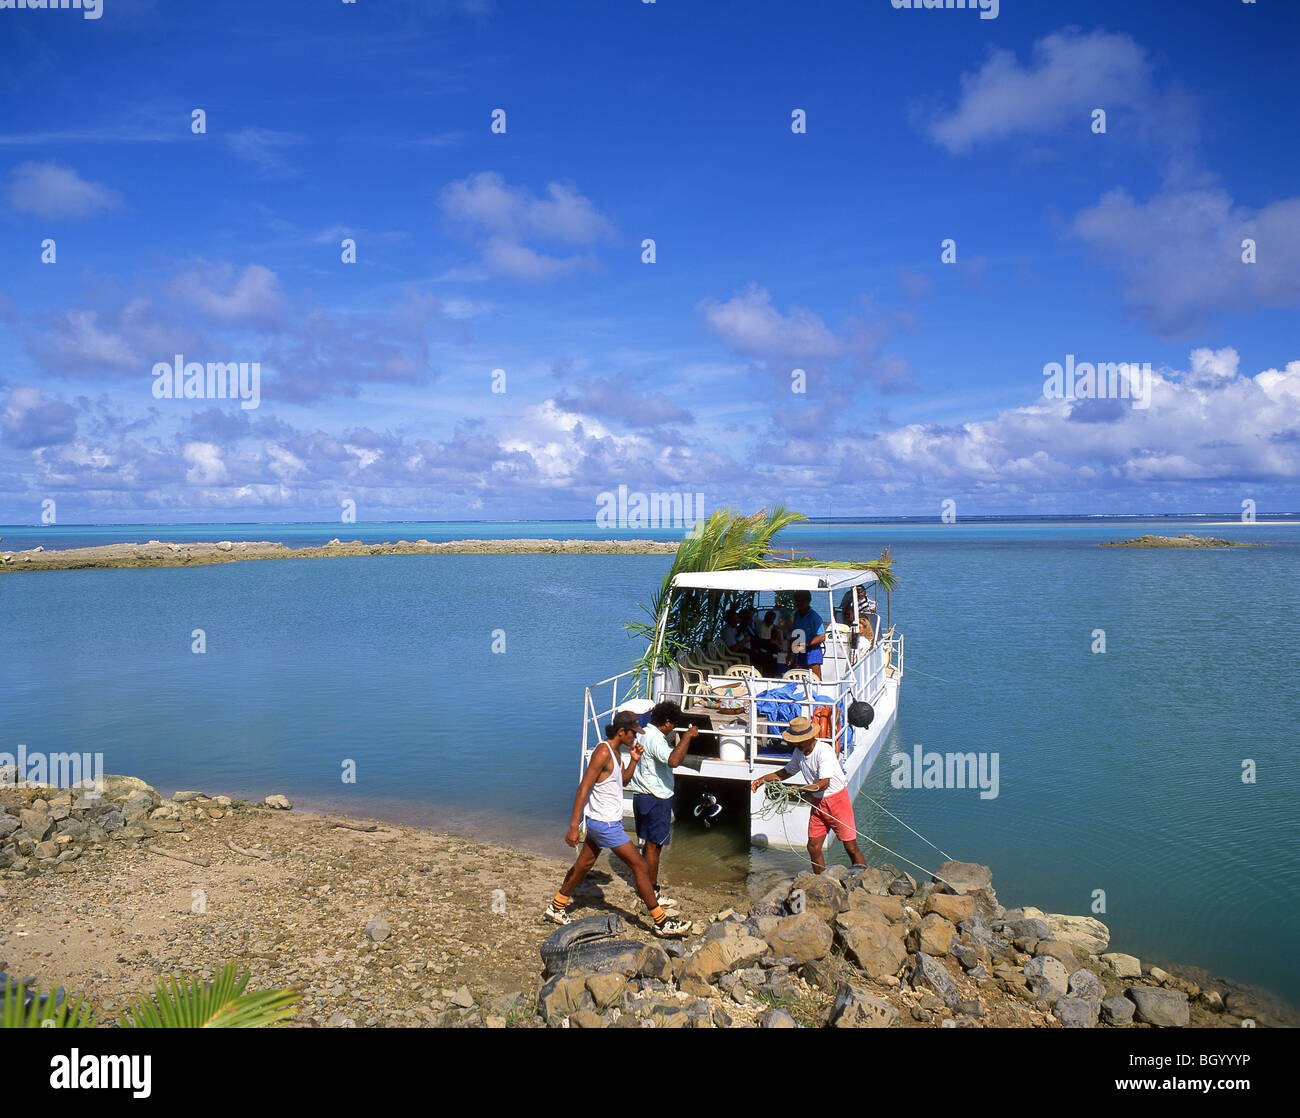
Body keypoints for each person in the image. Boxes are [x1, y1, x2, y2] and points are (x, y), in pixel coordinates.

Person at [544, 710, 691, 936]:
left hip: (600, 823)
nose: (636, 737)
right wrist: (574, 826)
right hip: (606, 825)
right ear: (621, 731)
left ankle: (556, 906)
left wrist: (633, 760)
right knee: (640, 866)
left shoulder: (615, 752)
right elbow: (583, 788)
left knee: (583, 865)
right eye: (633, 733)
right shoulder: (602, 752)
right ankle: (661, 923)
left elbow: (622, 780)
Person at [749, 715, 867, 874]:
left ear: (806, 739)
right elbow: (786, 772)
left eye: (795, 740)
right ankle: (820, 880)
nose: (792, 743)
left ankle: (863, 877)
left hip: (837, 800)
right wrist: (762, 779)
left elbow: (823, 783)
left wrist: (800, 790)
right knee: (813, 846)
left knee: (850, 847)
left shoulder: (824, 751)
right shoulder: (799, 752)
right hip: (818, 803)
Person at [627, 701, 697, 910]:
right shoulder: (656, 740)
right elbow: (674, 761)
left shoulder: (643, 733)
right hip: (656, 797)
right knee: (653, 846)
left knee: (648, 844)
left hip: (642, 795)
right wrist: (687, 737)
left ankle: (645, 887)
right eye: (673, 724)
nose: (674, 727)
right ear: (666, 723)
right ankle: (652, 892)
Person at [787, 590, 826, 679]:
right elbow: (794, 635)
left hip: (813, 651)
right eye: (797, 601)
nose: (799, 603)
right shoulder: (797, 615)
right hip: (800, 650)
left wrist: (806, 644)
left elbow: (822, 636)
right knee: (797, 676)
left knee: (815, 678)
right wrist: (789, 654)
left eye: (802, 601)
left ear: (808, 601)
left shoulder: (814, 617)